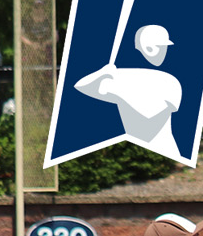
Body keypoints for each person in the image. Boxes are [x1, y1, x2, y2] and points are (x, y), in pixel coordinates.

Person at [73, 24, 183, 160]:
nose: (164, 51)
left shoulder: (170, 81)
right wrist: (101, 73)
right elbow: (80, 86)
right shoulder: (121, 76)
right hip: (132, 152)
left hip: (164, 151)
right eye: (161, 47)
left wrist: (117, 91)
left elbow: (149, 113)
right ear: (149, 48)